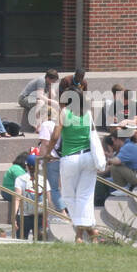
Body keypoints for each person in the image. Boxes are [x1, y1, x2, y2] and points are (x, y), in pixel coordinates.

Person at [42, 85, 98, 243]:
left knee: (68, 196)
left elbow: (55, 136)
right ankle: (85, 233)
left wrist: (47, 153)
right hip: (88, 158)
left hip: (70, 158)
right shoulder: (88, 113)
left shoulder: (64, 113)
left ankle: (88, 231)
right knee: (85, 197)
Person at [13, 156, 39, 239]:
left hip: (23, 216)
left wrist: (14, 218)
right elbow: (48, 201)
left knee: (21, 241)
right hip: (39, 215)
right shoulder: (43, 179)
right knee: (40, 243)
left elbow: (17, 199)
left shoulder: (20, 179)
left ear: (26, 166)